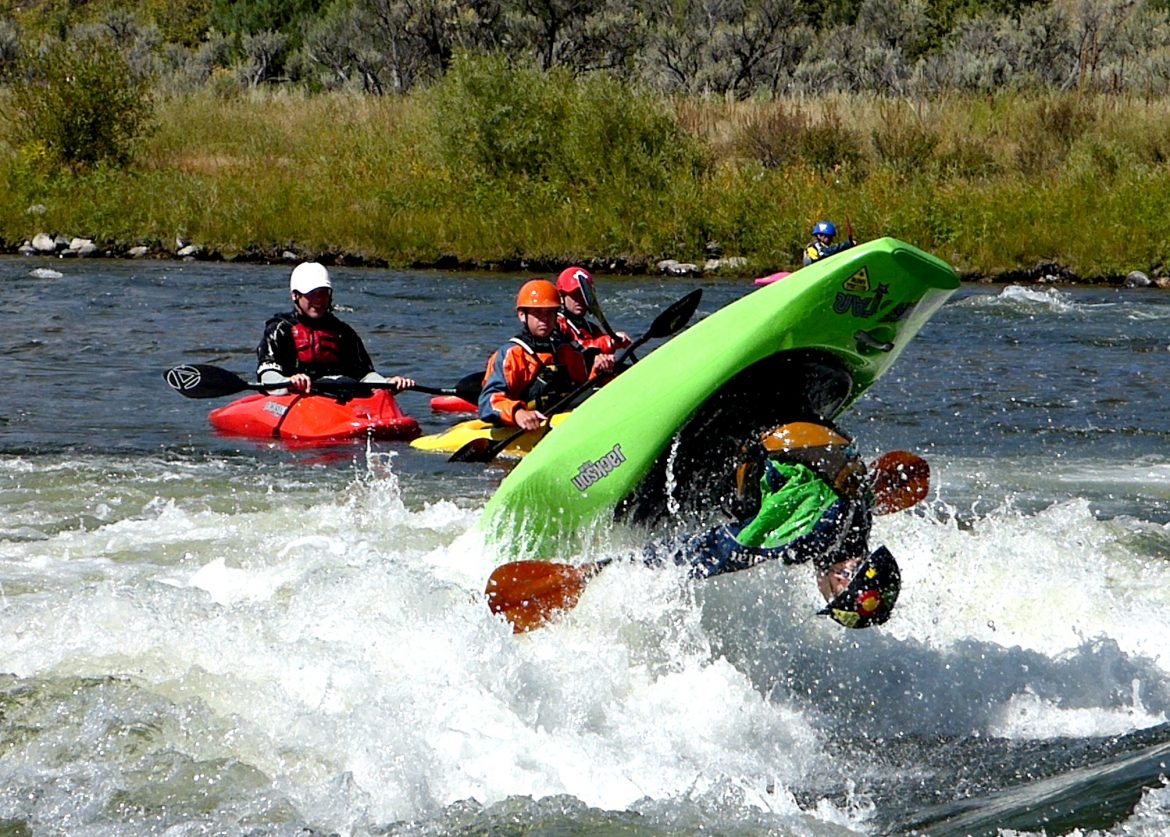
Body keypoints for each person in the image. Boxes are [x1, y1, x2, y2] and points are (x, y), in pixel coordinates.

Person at [650, 421, 928, 629]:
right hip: (757, 436)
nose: (826, 595)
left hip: (802, 424)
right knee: (728, 534)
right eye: (833, 597)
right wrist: (636, 564)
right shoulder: (814, 536)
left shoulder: (859, 520)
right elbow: (725, 548)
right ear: (845, 577)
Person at [256, 262, 414, 394]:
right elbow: (267, 374)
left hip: (335, 396)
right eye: (312, 294)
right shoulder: (279, 329)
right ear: (296, 295)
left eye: (323, 293)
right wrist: (288, 382)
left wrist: (386, 384)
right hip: (295, 396)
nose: (319, 300)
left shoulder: (343, 332)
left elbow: (363, 375)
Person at [479, 279, 594, 431]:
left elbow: (585, 386)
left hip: (561, 422)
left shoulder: (565, 351)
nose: (545, 320)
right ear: (522, 315)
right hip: (522, 428)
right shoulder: (511, 355)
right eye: (538, 313)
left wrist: (599, 368)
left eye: (550, 313)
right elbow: (487, 402)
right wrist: (518, 413)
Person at [555, 266, 631, 377]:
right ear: (562, 297)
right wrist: (610, 342)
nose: (580, 300)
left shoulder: (591, 328)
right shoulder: (557, 325)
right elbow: (578, 354)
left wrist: (616, 342)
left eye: (584, 295)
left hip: (594, 376)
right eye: (575, 294)